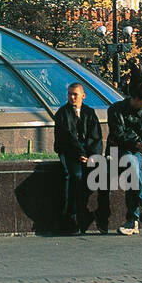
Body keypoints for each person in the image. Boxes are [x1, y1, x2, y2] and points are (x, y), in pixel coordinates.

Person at [53, 82, 107, 234]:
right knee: (75, 175)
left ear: (83, 96)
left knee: (104, 175)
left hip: (88, 153)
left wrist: (91, 156)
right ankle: (72, 217)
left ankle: (102, 215)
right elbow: (67, 138)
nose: (71, 97)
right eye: (69, 94)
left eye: (75, 94)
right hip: (70, 152)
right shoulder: (62, 113)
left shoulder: (89, 112)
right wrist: (81, 154)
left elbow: (96, 136)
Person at [108, 81, 142, 236]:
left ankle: (133, 221)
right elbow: (117, 135)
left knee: (132, 170)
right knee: (132, 165)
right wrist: (136, 143)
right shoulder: (116, 109)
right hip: (117, 150)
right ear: (135, 98)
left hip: (135, 152)